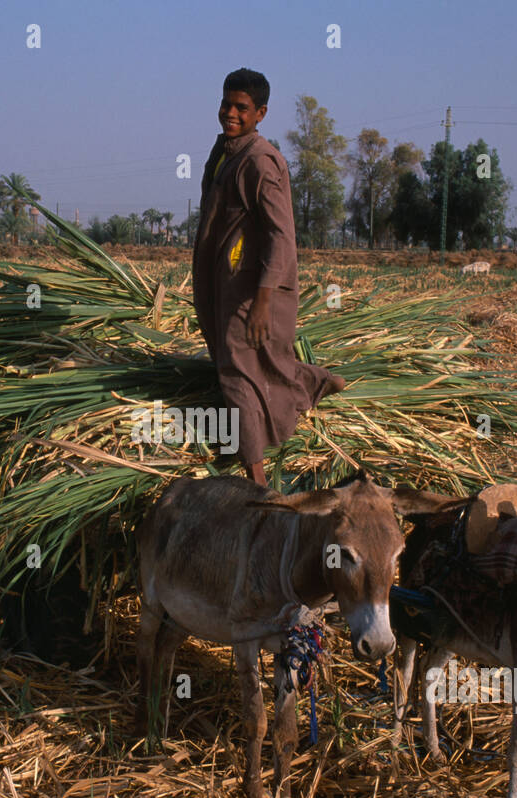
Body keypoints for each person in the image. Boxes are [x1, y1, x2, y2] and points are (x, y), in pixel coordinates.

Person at [192, 68, 345, 487]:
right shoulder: (224, 151)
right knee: (261, 364)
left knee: (236, 374)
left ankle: (256, 480)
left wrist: (262, 300)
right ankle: (316, 382)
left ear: (261, 113)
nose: (230, 113)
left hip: (254, 289)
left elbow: (282, 236)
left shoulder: (261, 161)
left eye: (242, 108)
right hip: (227, 283)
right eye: (227, 104)